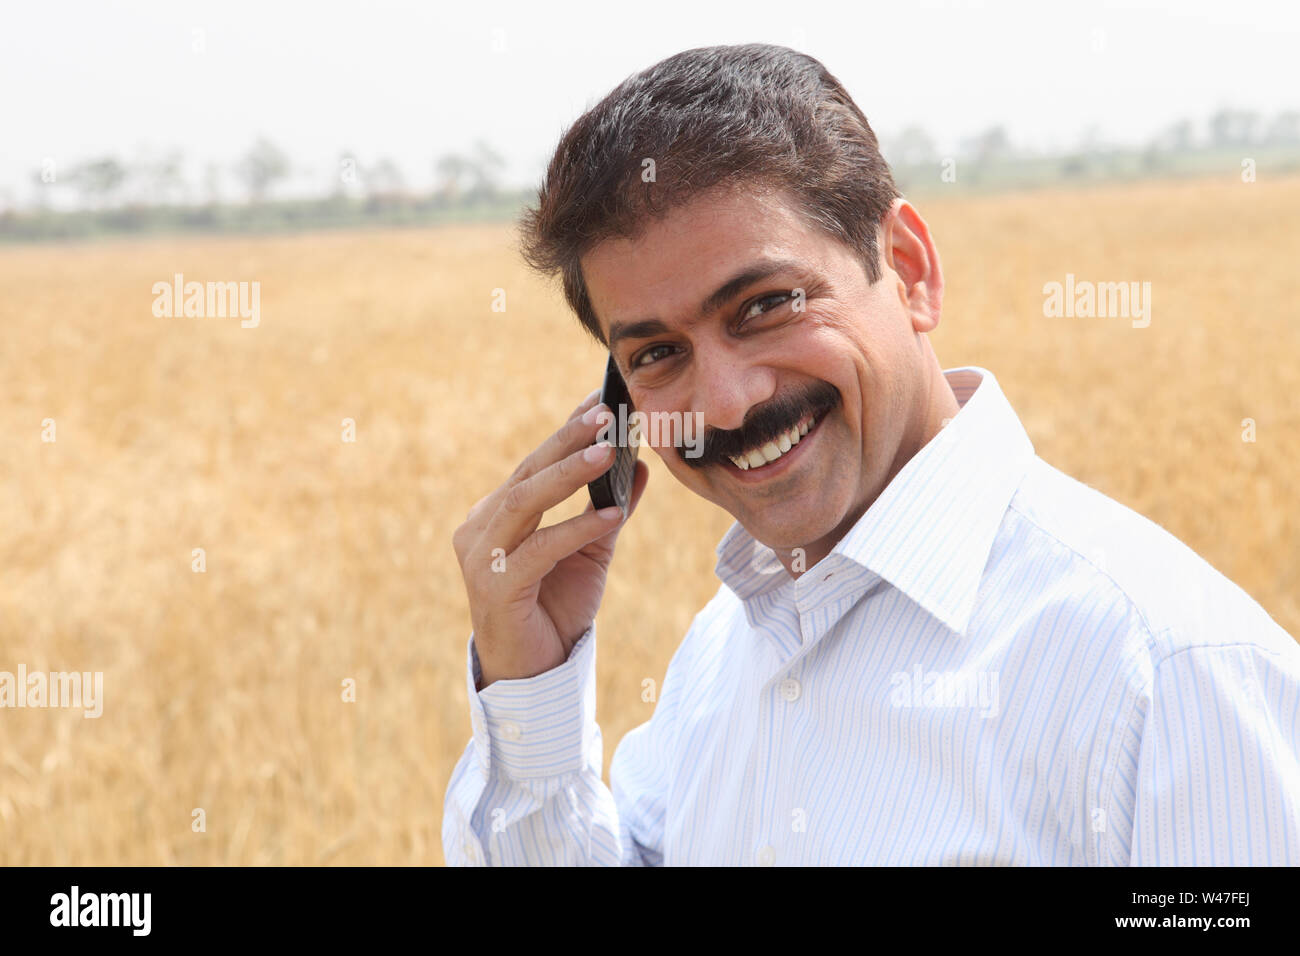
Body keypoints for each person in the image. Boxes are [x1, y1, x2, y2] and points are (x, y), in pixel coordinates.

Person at [445, 43, 1300, 865]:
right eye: (657, 355)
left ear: (908, 269)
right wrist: (531, 691)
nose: (728, 402)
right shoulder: (724, 654)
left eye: (766, 305)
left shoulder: (1169, 672)